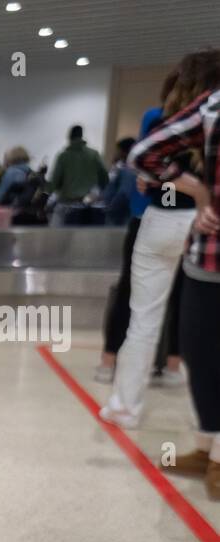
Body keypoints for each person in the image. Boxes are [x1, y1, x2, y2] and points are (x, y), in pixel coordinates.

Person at [101, 50, 219, 431]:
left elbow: (144, 168)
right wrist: (202, 193)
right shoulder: (211, 117)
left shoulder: (159, 118)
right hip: (204, 227)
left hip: (159, 222)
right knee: (202, 326)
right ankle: (202, 421)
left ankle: (124, 406)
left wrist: (175, 183)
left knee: (144, 317)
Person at [130, 56, 220, 500]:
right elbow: (145, 155)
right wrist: (202, 192)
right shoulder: (211, 107)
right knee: (199, 352)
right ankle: (207, 449)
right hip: (206, 254)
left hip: (193, 245)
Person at [97, 70, 185, 385]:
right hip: (179, 218)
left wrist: (155, 180)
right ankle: (171, 365)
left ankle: (110, 362)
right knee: (178, 294)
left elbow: (144, 167)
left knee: (131, 291)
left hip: (148, 216)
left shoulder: (156, 119)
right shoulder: (199, 127)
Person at [48, 125, 109, 224]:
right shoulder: (94, 154)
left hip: (67, 203)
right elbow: (104, 178)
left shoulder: (63, 156)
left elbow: (55, 181)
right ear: (82, 136)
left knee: (64, 236)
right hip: (89, 204)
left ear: (69, 137)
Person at [101, 137, 140, 225]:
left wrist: (110, 208)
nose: (116, 153)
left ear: (124, 152)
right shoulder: (121, 168)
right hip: (119, 215)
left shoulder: (128, 170)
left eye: (117, 150)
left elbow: (123, 194)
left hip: (118, 217)